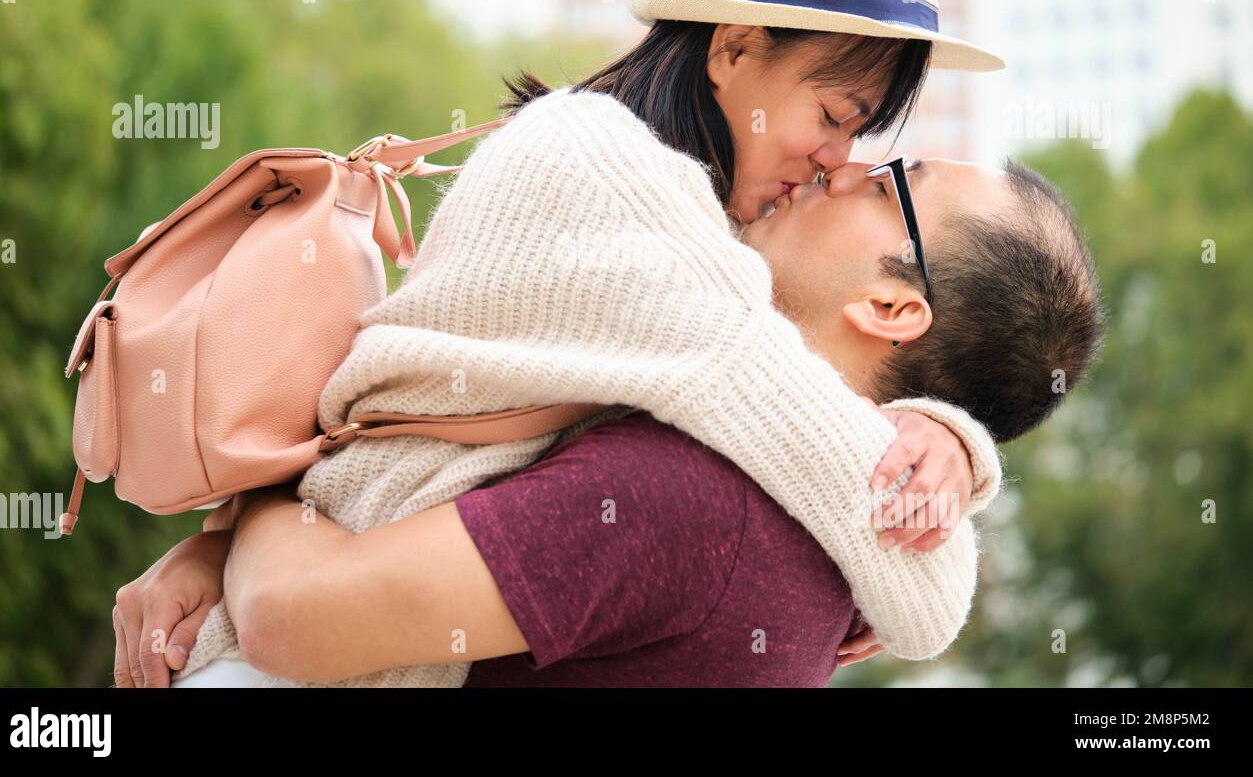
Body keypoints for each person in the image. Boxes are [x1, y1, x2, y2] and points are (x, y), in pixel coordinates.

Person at [116, 0, 1025, 687]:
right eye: (834, 117)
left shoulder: (690, 226)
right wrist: (938, 464)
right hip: (282, 656)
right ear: (736, 50)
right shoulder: (602, 169)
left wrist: (935, 430)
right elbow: (923, 592)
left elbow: (773, 388)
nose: (836, 164)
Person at [140, 151, 1102, 687]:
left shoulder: (696, 498)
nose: (843, 164)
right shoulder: (786, 493)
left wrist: (258, 495)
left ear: (892, 309)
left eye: (893, 182)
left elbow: (292, 616)